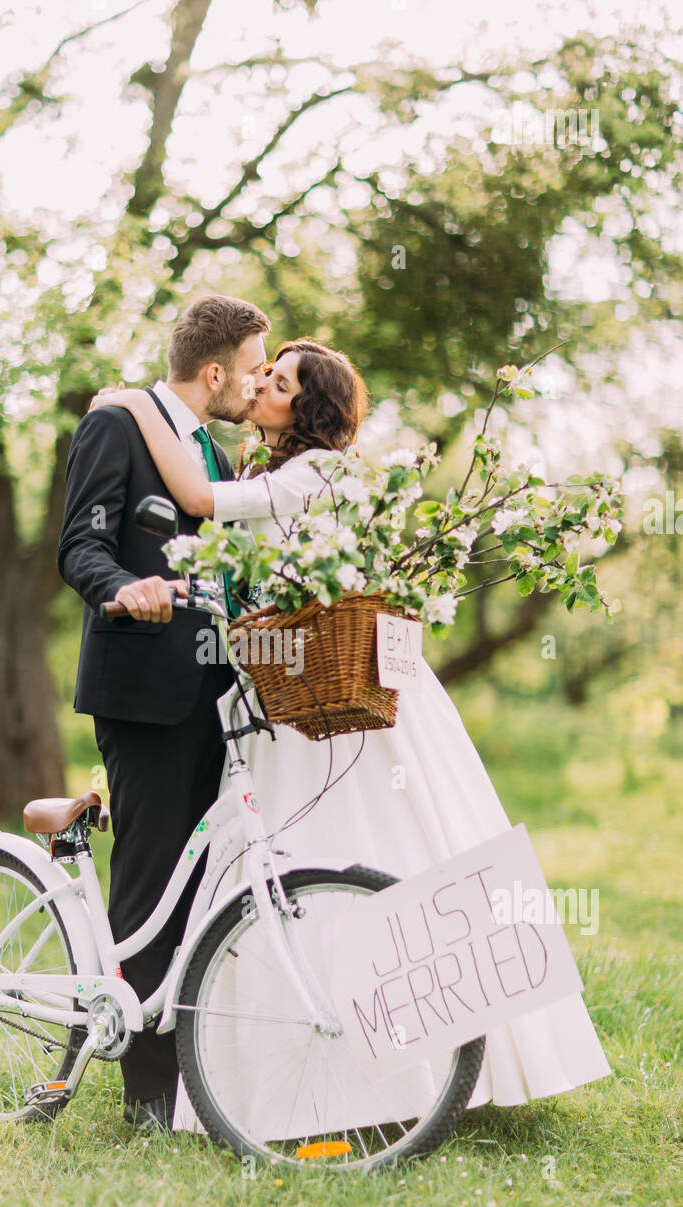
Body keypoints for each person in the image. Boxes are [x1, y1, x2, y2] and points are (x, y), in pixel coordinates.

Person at [87, 339, 612, 1137]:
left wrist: (128, 402)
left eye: (280, 381)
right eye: (261, 373)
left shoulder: (318, 471)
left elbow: (193, 496)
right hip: (293, 692)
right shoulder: (268, 473)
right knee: (290, 874)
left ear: (310, 409)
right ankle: (305, 1072)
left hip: (330, 702)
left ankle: (384, 1076)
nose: (262, 385)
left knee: (353, 859)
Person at [58, 293, 271, 1134]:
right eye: (253, 370)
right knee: (149, 890)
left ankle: (190, 1086)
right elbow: (82, 545)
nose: (257, 387)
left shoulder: (213, 458)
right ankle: (144, 1101)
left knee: (199, 894)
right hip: (144, 695)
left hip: (215, 697)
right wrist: (124, 589)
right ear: (214, 372)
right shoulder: (116, 426)